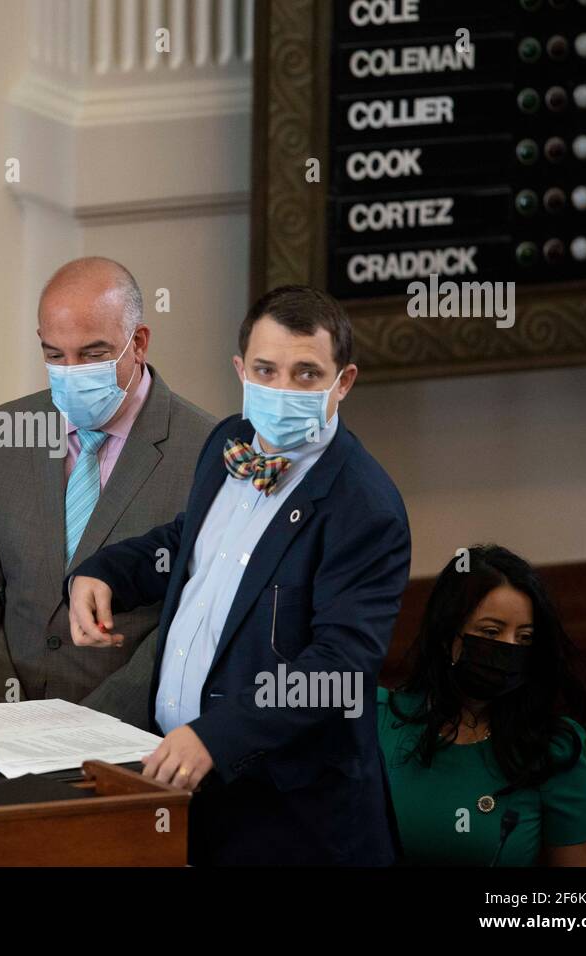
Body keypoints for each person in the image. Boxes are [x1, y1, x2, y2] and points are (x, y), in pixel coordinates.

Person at [67, 285, 411, 865]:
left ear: (343, 382)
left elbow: (339, 668)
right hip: (191, 797)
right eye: (265, 369)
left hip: (294, 821)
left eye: (306, 374)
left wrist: (217, 735)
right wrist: (102, 573)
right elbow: (187, 546)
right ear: (240, 370)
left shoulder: (364, 506)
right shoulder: (228, 441)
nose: (282, 390)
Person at [0, 258, 215, 724]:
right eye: (55, 355)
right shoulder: (6, 433)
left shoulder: (205, 451)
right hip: (4, 731)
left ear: (139, 343)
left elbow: (195, 618)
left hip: (133, 737)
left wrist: (93, 727)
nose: (71, 371)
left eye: (92, 354)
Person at [378, 544, 586, 866]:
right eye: (491, 632)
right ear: (446, 636)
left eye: (524, 638)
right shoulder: (380, 717)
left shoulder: (554, 748)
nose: (509, 649)